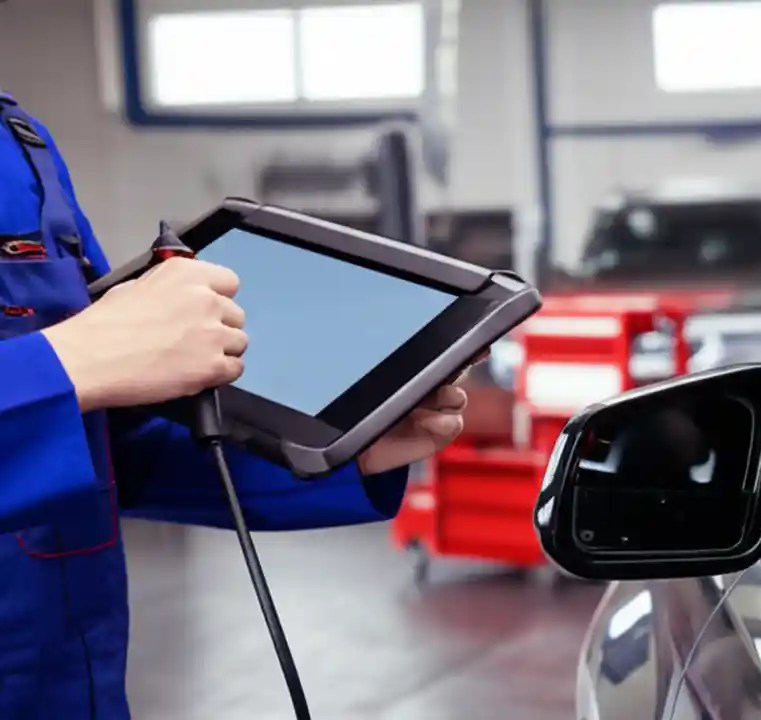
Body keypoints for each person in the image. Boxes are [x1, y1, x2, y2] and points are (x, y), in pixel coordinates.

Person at [0, 90, 470, 717]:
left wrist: (339, 441)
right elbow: (73, 378)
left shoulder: (20, 143)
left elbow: (102, 446)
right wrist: (69, 364)